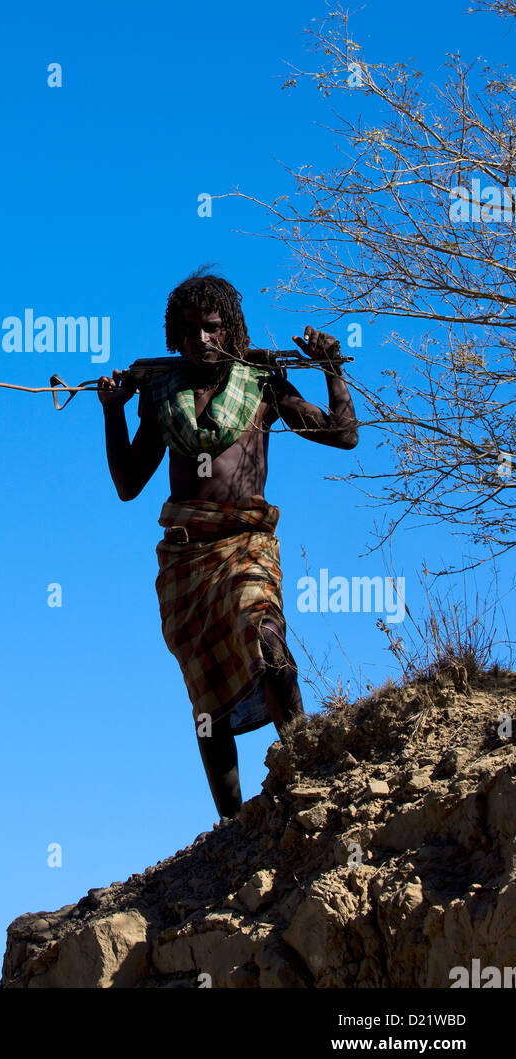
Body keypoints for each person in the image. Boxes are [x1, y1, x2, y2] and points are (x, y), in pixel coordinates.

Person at [97, 269, 359, 824]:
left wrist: (332, 370)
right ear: (175, 334)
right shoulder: (164, 395)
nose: (202, 340)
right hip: (186, 559)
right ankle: (232, 826)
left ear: (232, 331)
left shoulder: (263, 383)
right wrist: (113, 412)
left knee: (268, 641)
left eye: (213, 328)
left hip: (246, 544)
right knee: (208, 702)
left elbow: (341, 434)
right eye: (190, 330)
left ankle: (306, 770)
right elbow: (127, 485)